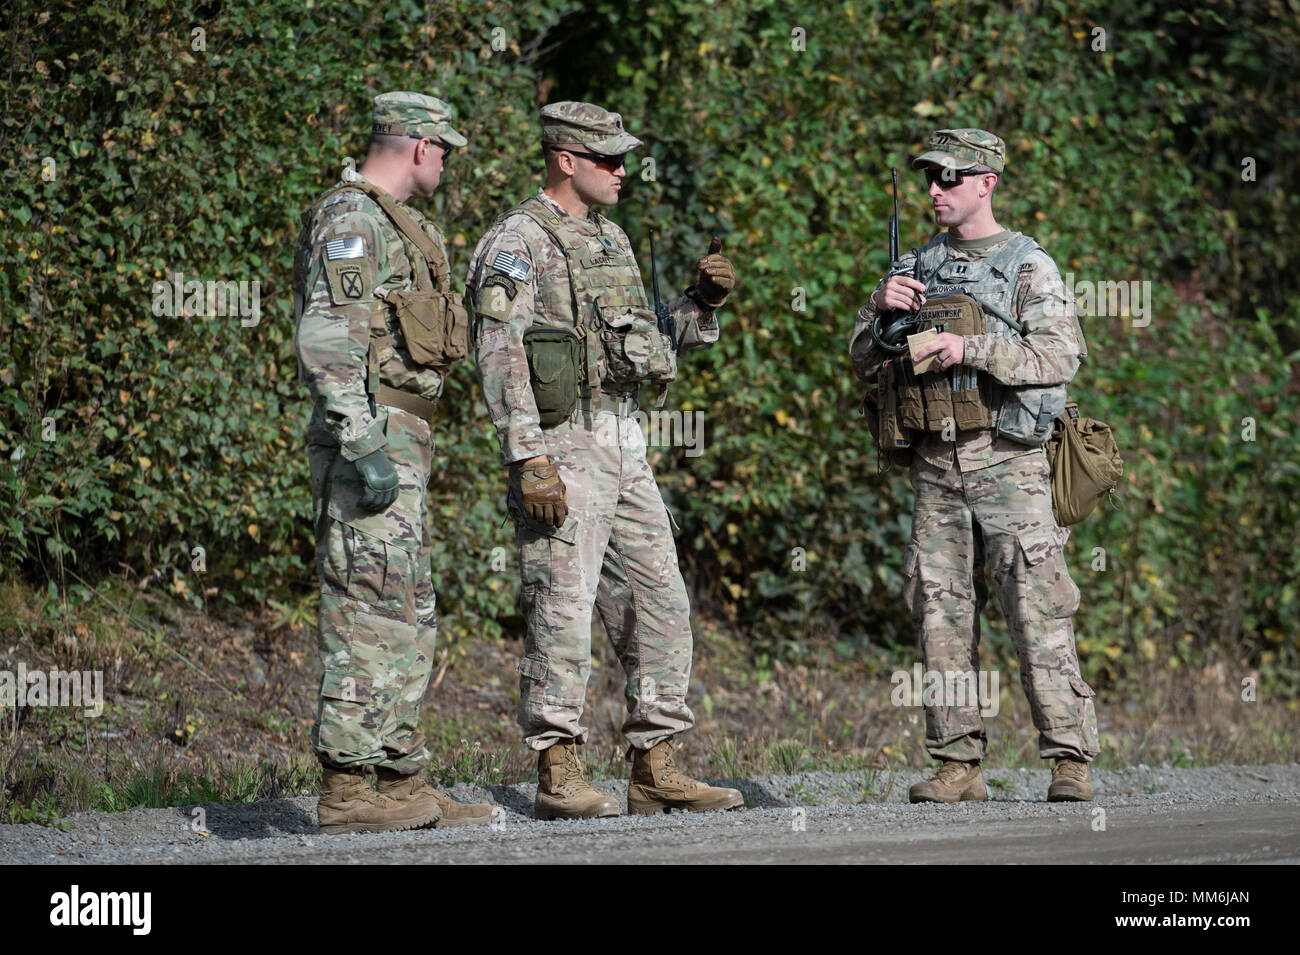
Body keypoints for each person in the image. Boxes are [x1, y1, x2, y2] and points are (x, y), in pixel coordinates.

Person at [467, 101, 743, 820]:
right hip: (562, 444)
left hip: (626, 440)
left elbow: (645, 345)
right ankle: (558, 767)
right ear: (565, 159)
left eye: (623, 158)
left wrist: (699, 303)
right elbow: (499, 352)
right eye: (608, 159)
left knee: (659, 598)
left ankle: (656, 764)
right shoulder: (517, 241)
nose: (623, 170)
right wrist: (527, 453)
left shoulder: (612, 239)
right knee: (560, 607)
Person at [849, 128, 1099, 803]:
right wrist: (879, 316)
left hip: (1009, 460)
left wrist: (973, 348)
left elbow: (1060, 355)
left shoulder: (1027, 265)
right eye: (929, 178)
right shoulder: (915, 265)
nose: (935, 190)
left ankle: (1069, 758)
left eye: (949, 177)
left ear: (986, 181)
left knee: (1036, 605)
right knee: (939, 609)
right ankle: (958, 762)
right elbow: (860, 361)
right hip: (935, 461)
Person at [293, 90, 493, 833]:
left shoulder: (395, 224)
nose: (446, 163)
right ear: (417, 145)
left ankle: (399, 778)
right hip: (371, 434)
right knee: (364, 609)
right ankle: (348, 790)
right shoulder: (351, 221)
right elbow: (326, 338)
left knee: (406, 611)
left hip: (402, 435)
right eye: (443, 149)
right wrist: (361, 439)